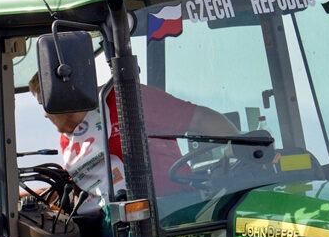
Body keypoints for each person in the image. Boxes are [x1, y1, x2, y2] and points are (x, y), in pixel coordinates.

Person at [29, 72, 238, 200]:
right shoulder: (69, 140)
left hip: (170, 209)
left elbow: (201, 118)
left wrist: (245, 150)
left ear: (64, 95)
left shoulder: (128, 100)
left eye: (44, 104)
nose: (45, 114)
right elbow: (79, 185)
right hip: (114, 220)